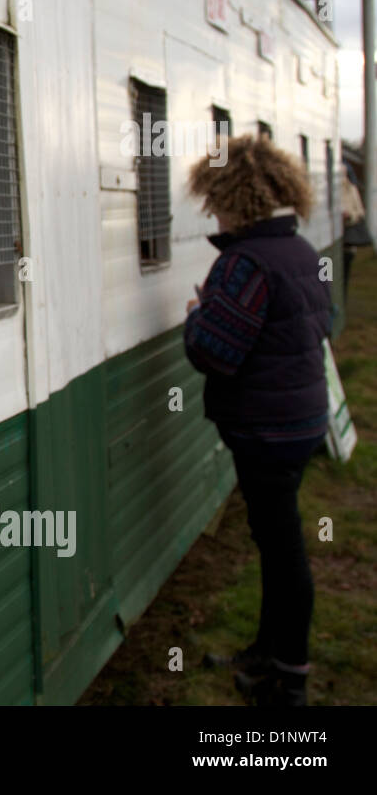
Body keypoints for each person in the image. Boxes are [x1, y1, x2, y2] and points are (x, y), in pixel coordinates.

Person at [184, 134, 331, 707]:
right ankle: (268, 651)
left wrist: (199, 316)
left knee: (284, 546)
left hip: (266, 430)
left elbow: (214, 353)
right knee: (276, 540)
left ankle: (289, 675)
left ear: (234, 199)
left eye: (214, 200)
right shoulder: (302, 252)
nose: (211, 212)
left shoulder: (244, 264)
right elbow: (323, 322)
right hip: (300, 419)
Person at [341, 161, 372, 303]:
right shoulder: (345, 187)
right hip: (339, 242)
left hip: (346, 242)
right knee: (328, 276)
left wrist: (350, 216)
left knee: (341, 276)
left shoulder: (349, 188)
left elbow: (358, 211)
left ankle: (340, 304)